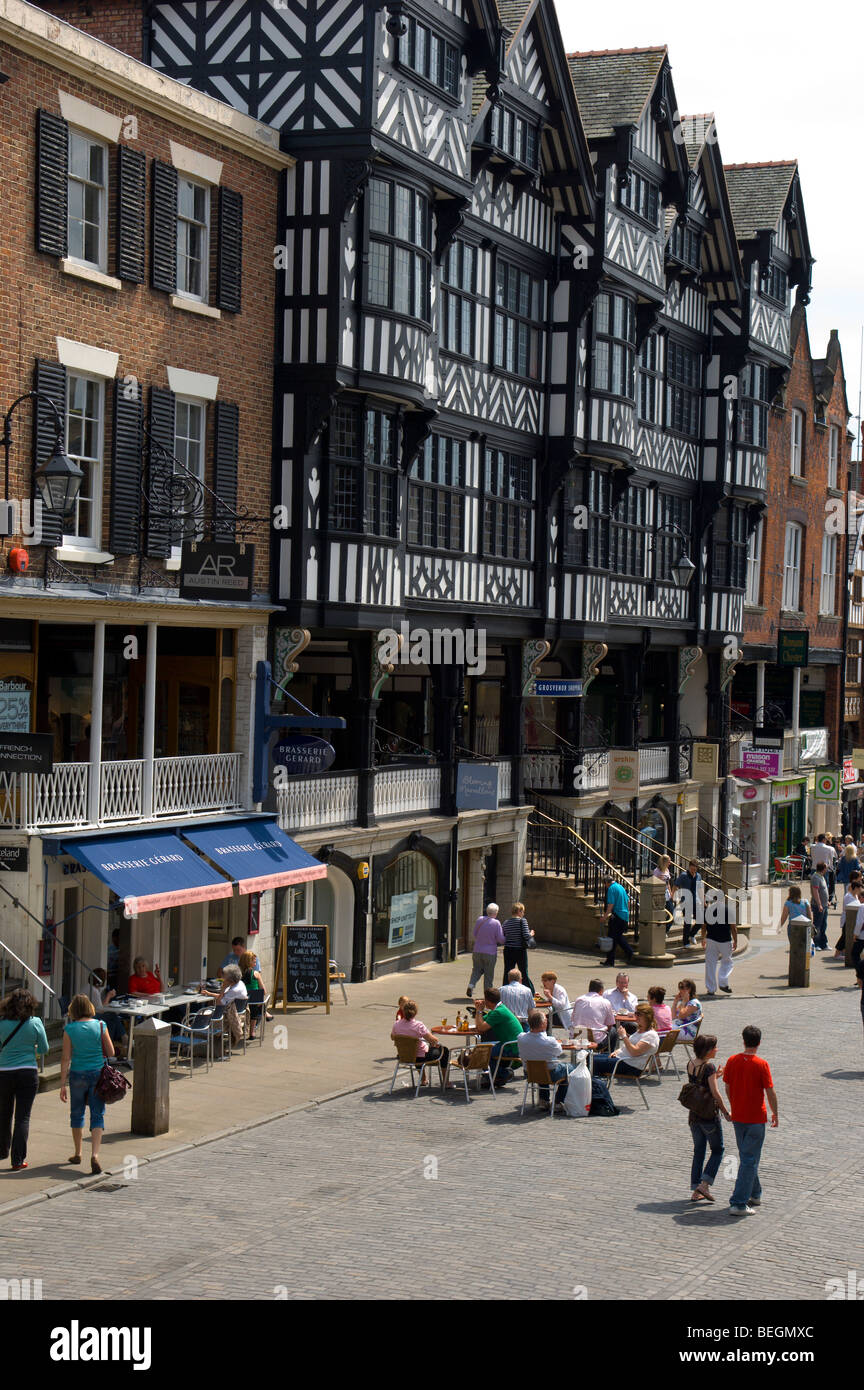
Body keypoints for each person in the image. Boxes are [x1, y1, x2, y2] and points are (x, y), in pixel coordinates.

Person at [723, 1024, 778, 1215]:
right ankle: (738, 1202)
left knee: (748, 1156)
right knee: (749, 1159)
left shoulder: (732, 1060)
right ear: (759, 1043)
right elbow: (770, 1091)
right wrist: (775, 1113)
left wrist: (734, 1104)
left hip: (739, 1117)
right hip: (756, 1117)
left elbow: (728, 1087)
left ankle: (755, 1193)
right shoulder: (761, 1064)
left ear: (743, 1040)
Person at [60, 993, 116, 1174]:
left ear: (73, 1010)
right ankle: (95, 1155)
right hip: (98, 1074)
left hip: (77, 1074)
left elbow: (65, 1058)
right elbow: (111, 1051)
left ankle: (77, 1153)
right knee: (97, 1113)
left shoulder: (69, 1029)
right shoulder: (100, 1025)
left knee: (76, 1114)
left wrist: (62, 1084)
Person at [0, 989, 49, 1171]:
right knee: (23, 1117)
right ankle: (18, 1160)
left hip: (4, 1072)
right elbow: (44, 1048)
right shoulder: (35, 1023)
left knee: (4, 1114)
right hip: (28, 1072)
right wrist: (30, 1049)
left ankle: (2, 1151)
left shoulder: (2, 1023)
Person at [685, 1032, 731, 1203]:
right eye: (714, 1048)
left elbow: (699, 1084)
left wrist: (716, 1076)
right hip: (708, 1115)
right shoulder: (709, 1067)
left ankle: (695, 1189)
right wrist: (726, 1112)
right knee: (718, 1150)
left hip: (694, 1115)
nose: (717, 1050)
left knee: (699, 1151)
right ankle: (705, 1184)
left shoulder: (691, 1064)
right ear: (708, 1050)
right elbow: (715, 1092)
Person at [517, 1008, 573, 1109]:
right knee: (570, 1069)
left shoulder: (521, 1038)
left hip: (531, 1073)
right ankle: (558, 1102)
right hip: (550, 1073)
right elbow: (559, 1051)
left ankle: (544, 1100)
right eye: (546, 1021)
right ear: (543, 1024)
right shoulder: (549, 1041)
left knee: (541, 1066)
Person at [592, 1003, 659, 1077]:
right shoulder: (640, 1030)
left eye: (638, 1014)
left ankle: (597, 1084)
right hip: (623, 1059)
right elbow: (627, 1046)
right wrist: (616, 1051)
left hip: (630, 1066)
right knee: (590, 1057)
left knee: (593, 1062)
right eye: (635, 1013)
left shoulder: (651, 1035)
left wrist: (624, 1036)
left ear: (647, 1016)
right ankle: (596, 1082)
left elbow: (634, 1052)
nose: (635, 1016)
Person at [474, 986, 523, 1082]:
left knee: (482, 1050)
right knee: (483, 1047)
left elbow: (481, 1027)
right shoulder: (499, 1009)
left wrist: (479, 1010)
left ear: (488, 1001)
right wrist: (478, 1011)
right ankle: (494, 1075)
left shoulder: (498, 1012)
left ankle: (501, 1075)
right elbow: (481, 1022)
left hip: (511, 1047)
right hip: (512, 1044)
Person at [391, 999, 449, 1072]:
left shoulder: (396, 1024)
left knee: (418, 1049)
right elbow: (434, 1040)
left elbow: (392, 1037)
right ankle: (445, 1081)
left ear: (403, 1011)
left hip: (404, 1056)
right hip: (420, 1058)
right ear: (416, 1012)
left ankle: (423, 1080)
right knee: (445, 1050)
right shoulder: (418, 1025)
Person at [201, 964, 248, 1044]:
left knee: (202, 1014)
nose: (222, 979)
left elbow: (220, 1004)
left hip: (228, 1016)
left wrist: (222, 988)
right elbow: (225, 996)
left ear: (230, 980)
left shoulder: (234, 990)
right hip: (238, 1012)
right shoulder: (240, 984)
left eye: (224, 977)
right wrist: (210, 993)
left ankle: (203, 1042)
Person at [465, 904, 504, 999]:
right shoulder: (496, 923)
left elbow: (474, 933)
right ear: (496, 913)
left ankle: (471, 985)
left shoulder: (480, 919)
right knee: (488, 975)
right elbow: (500, 939)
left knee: (476, 970)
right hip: (490, 953)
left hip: (477, 950)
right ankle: (488, 996)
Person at [701, 897, 738, 996]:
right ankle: (723, 983)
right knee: (727, 962)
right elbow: (733, 927)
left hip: (711, 939)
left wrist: (703, 938)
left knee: (710, 964)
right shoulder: (728, 910)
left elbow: (704, 925)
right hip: (725, 940)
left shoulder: (708, 910)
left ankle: (711, 988)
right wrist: (735, 940)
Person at [568, 979, 616, 1050]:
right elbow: (610, 1024)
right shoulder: (605, 1002)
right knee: (614, 1031)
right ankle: (607, 1056)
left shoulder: (579, 1000)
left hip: (576, 1035)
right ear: (601, 990)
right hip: (595, 1038)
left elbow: (573, 1018)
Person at [599, 873, 633, 966]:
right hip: (624, 915)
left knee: (615, 937)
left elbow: (610, 905)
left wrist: (604, 917)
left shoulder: (611, 889)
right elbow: (628, 901)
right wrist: (626, 911)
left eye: (604, 884)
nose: (605, 886)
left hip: (617, 916)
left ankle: (630, 954)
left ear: (606, 882)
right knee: (615, 937)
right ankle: (610, 960)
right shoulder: (620, 887)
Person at [500, 902, 535, 992]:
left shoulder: (506, 922)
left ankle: (505, 991)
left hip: (508, 950)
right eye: (523, 911)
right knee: (523, 971)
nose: (523, 914)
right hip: (519, 949)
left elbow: (503, 935)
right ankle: (530, 991)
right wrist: (531, 933)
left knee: (508, 971)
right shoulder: (522, 921)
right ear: (519, 911)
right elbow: (526, 936)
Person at [88, 969, 126, 1050]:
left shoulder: (91, 988)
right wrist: (108, 996)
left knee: (111, 1018)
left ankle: (112, 1044)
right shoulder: (93, 991)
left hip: (88, 1014)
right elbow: (101, 1010)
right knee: (112, 1017)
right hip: (89, 1017)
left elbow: (98, 1006)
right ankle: (120, 1040)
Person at [675, 860, 704, 947]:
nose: (693, 870)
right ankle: (686, 941)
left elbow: (700, 889)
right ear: (689, 867)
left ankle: (692, 934)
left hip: (696, 901)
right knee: (687, 923)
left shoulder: (698, 876)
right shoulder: (683, 875)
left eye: (695, 869)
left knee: (700, 920)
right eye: (692, 868)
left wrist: (703, 900)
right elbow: (676, 885)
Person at [238, 950, 267, 1040]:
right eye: (254, 961)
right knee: (257, 1004)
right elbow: (264, 991)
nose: (255, 963)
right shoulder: (256, 974)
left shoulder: (237, 974)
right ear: (248, 962)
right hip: (253, 1003)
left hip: (240, 1004)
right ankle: (252, 1032)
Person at [810, 834, 837, 906]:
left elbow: (812, 857)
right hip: (823, 869)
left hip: (814, 867)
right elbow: (831, 860)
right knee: (824, 886)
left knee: (814, 886)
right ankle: (824, 901)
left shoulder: (812, 847)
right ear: (824, 840)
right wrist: (831, 868)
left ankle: (814, 900)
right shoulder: (829, 848)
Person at [809, 862, 830, 952]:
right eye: (826, 868)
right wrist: (819, 904)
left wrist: (827, 902)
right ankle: (816, 943)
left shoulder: (821, 876)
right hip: (819, 906)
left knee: (823, 924)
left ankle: (823, 943)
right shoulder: (815, 877)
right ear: (823, 868)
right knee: (818, 924)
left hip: (824, 905)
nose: (827, 869)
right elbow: (815, 891)